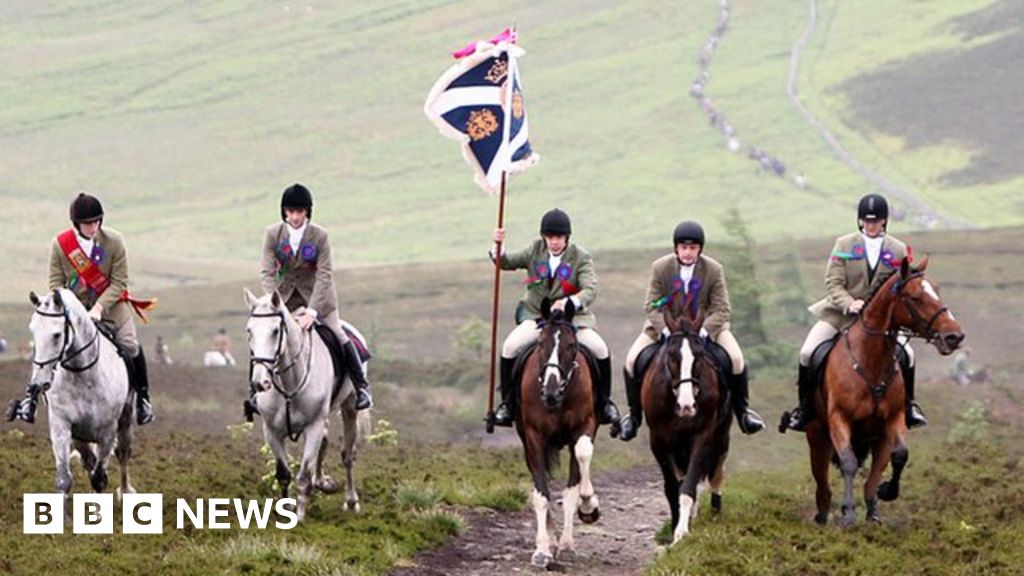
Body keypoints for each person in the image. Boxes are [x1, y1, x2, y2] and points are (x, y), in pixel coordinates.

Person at [782, 193, 926, 432]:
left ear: (884, 221)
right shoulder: (844, 245)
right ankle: (804, 409)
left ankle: (909, 407)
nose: (871, 225)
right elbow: (833, 282)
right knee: (807, 352)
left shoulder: (898, 249)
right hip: (841, 315)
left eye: (875, 221)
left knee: (908, 355)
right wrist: (849, 303)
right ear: (860, 220)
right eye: (867, 221)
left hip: (881, 322)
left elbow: (903, 286)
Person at [10, 193, 155, 425]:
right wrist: (72, 308)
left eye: (97, 221)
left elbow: (119, 282)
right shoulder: (61, 246)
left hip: (112, 308)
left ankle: (143, 399)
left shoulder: (114, 241)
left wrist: (98, 308)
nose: (94, 227)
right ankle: (31, 399)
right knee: (49, 343)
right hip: (75, 312)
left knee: (130, 345)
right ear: (77, 224)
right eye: (88, 223)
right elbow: (56, 284)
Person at [618, 220, 765, 441]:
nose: (688, 252)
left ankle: (743, 412)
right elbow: (651, 305)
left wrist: (705, 330)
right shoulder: (660, 268)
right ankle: (634, 416)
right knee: (631, 361)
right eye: (684, 247)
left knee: (736, 359)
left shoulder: (713, 270)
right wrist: (665, 329)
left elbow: (722, 308)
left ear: (700, 249)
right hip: (664, 328)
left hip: (708, 329)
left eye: (693, 248)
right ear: (676, 248)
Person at [245, 183, 371, 421]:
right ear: (284, 211)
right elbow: (267, 273)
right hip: (284, 300)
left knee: (338, 334)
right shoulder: (272, 234)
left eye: (300, 211)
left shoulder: (320, 236)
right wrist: (275, 303)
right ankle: (255, 393)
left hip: (318, 299)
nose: (295, 217)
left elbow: (324, 275)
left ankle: (361, 386)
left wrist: (312, 311)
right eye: (290, 211)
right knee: (263, 336)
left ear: (307, 212)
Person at [490, 208, 620, 430]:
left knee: (600, 349)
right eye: (550, 237)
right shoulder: (535, 250)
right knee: (510, 347)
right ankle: (507, 405)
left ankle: (605, 403)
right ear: (544, 237)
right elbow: (507, 262)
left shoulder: (580, 257)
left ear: (567, 237)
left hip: (572, 320)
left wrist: (571, 301)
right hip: (538, 317)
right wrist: (497, 246)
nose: (554, 242)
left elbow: (590, 289)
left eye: (559, 237)